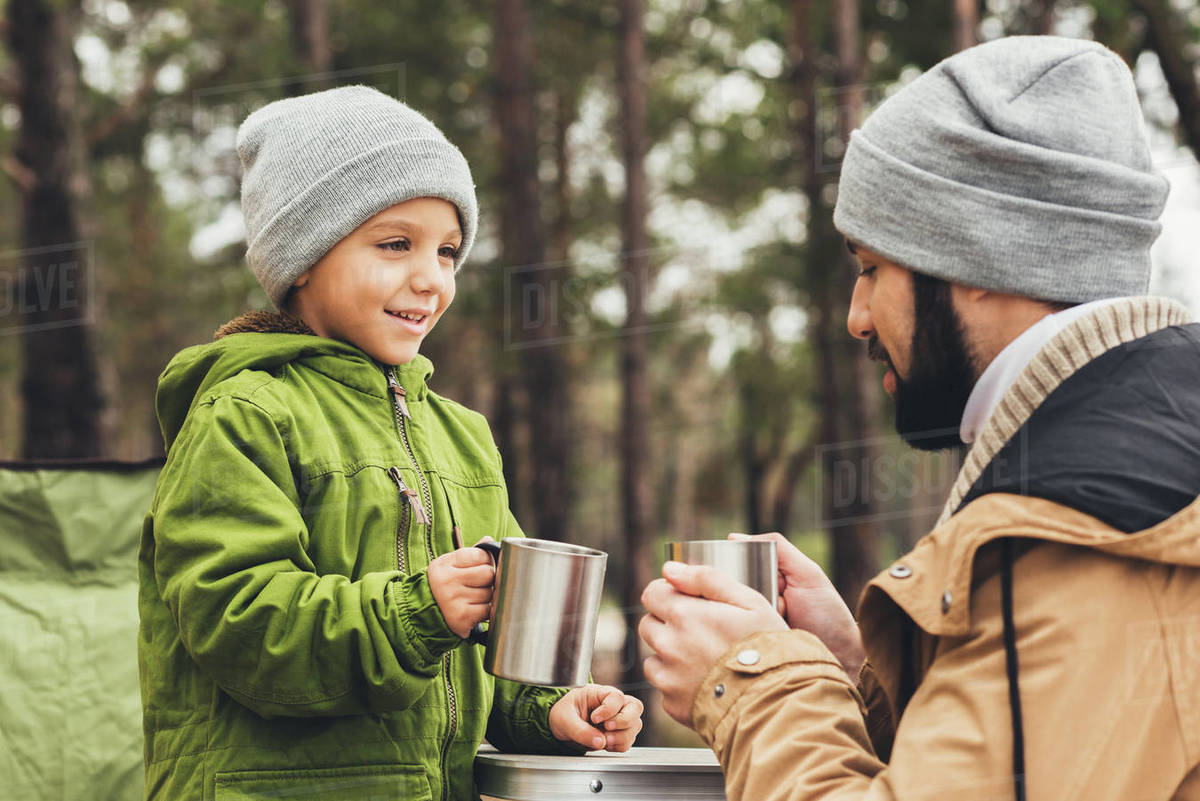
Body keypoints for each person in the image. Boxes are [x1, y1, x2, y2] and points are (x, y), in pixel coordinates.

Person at [639, 35, 1200, 801]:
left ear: (979, 262)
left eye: (872, 269)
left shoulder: (1077, 524)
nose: (856, 317)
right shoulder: (1140, 452)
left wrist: (754, 681)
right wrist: (854, 673)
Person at [138, 86, 642, 801]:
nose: (430, 278)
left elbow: (490, 658)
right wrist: (416, 612)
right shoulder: (245, 414)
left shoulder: (461, 435)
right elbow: (240, 625)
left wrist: (551, 710)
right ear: (303, 255)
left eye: (448, 251)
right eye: (395, 244)